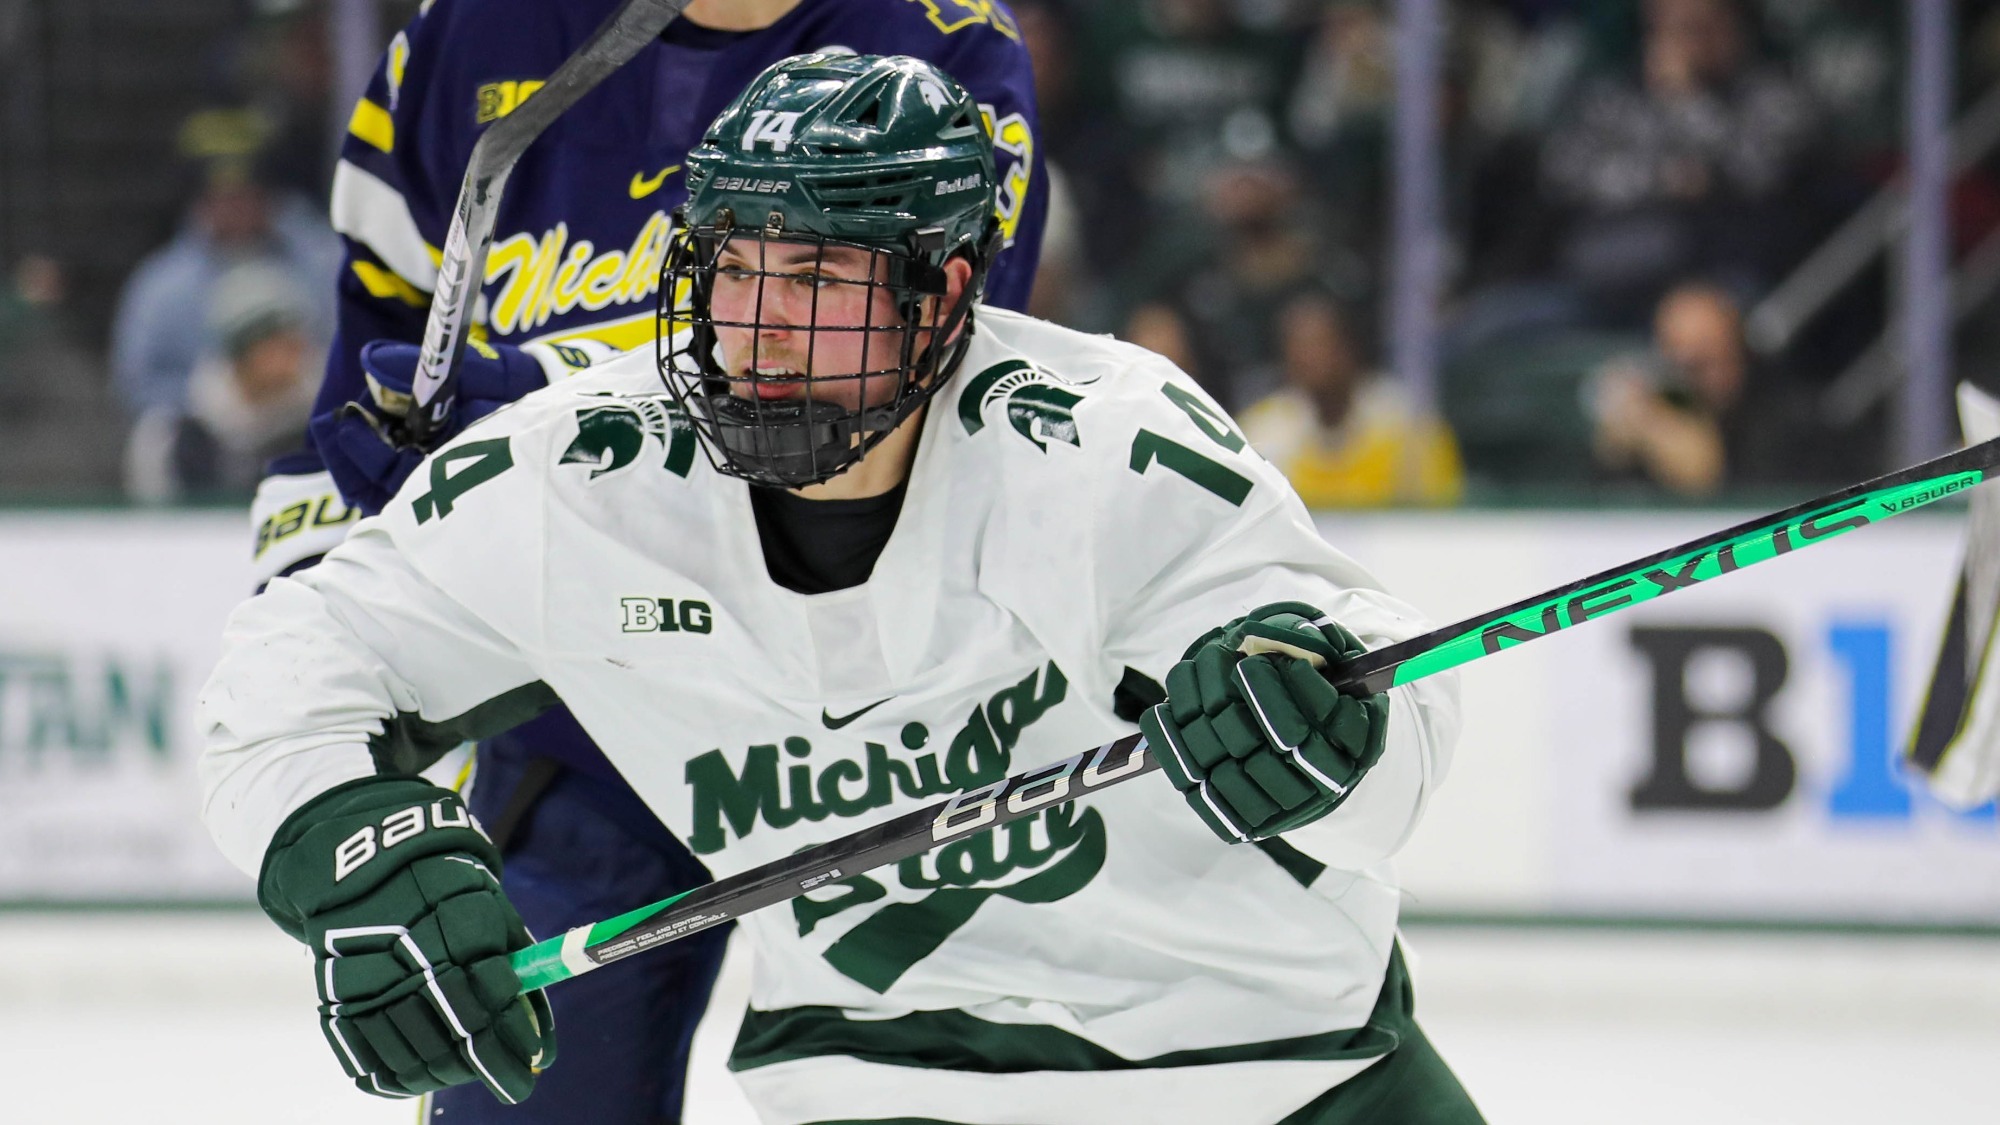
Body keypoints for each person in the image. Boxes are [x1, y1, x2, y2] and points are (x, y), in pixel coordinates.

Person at [200, 54, 1475, 1123]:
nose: (755, 327)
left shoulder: (1104, 447)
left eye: (814, 280)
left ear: (944, 299)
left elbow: (1383, 701)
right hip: (879, 1088)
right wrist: (351, 855)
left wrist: (1322, 732)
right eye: (733, 270)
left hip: (1280, 1078)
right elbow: (288, 667)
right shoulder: (592, 472)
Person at [245, 3, 1046, 1123]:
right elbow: (374, 336)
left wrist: (553, 398)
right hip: (581, 715)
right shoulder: (467, 35)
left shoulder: (942, 40)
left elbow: (912, 374)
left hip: (880, 723)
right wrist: (331, 639)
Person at [1238, 292, 1463, 508]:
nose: (1311, 358)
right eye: (1300, 349)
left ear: (1350, 348)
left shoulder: (1405, 423)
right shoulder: (1262, 433)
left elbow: (1438, 510)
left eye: (1322, 345)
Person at [124, 261, 319, 503]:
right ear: (242, 353)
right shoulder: (177, 437)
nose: (297, 349)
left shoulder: (323, 423)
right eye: (276, 339)